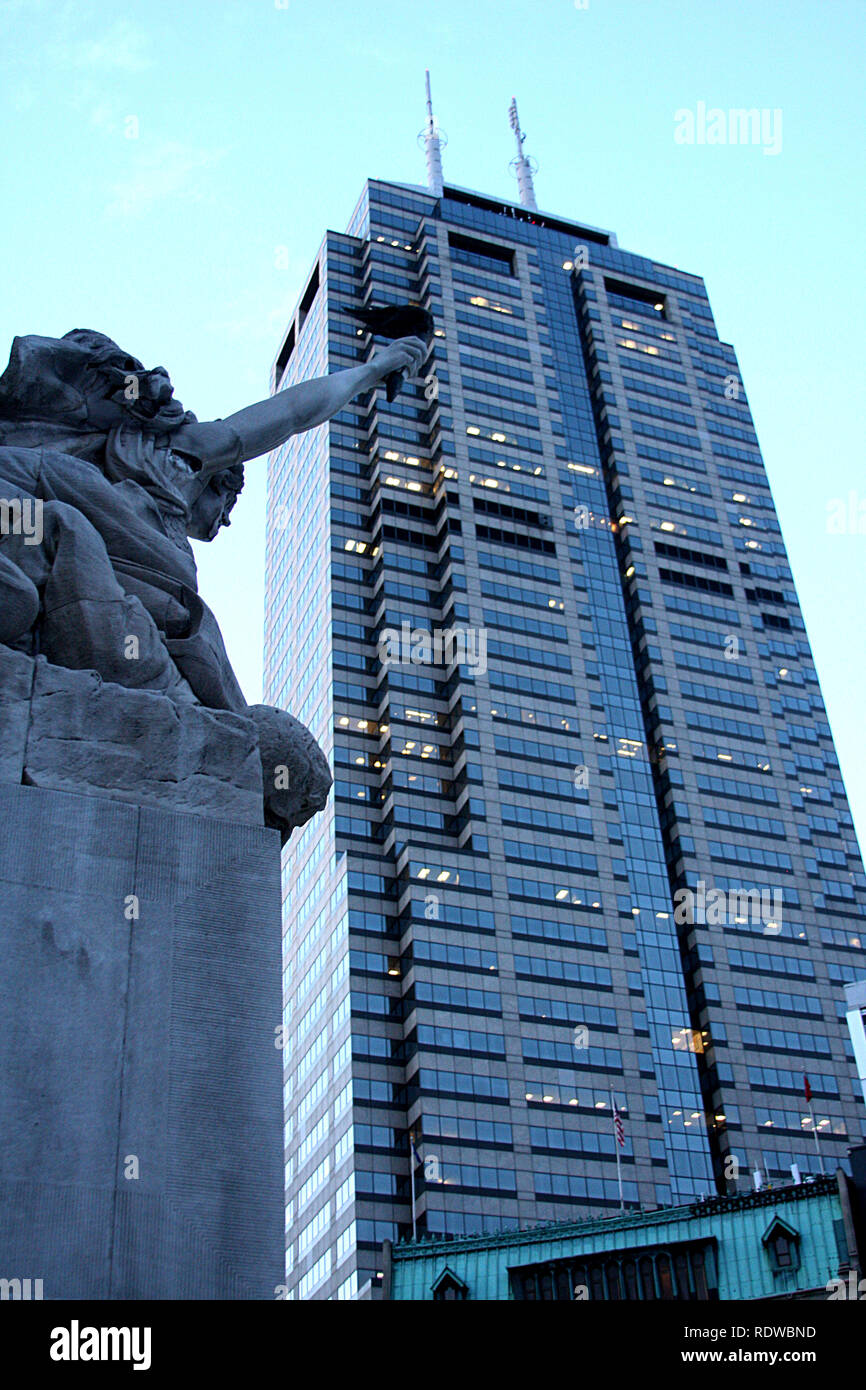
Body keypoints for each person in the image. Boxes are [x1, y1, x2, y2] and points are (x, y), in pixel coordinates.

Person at [0, 327, 427, 709]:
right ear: (218, 482)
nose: (224, 522)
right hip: (97, 549)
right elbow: (292, 413)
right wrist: (373, 370)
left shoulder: (122, 465)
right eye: (228, 504)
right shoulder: (179, 454)